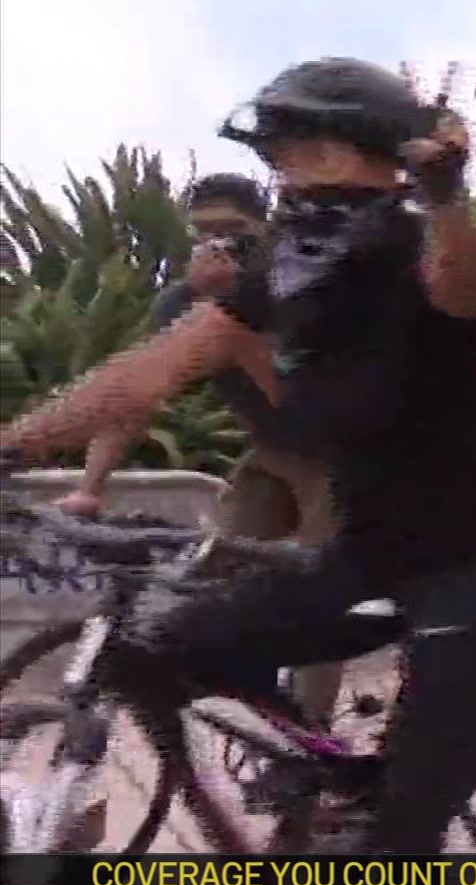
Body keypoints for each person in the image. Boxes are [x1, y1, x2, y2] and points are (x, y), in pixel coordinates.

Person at [1, 57, 476, 854]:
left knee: (394, 839)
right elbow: (141, 378)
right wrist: (10, 444)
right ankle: (314, 772)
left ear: (359, 150)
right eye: (277, 154)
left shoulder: (414, 245)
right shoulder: (283, 272)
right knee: (160, 640)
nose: (284, 174)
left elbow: (460, 282)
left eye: (299, 149)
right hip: (366, 553)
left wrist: (447, 198)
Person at [48, 175, 346, 728]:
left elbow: (302, 393)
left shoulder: (303, 285)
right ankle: (233, 693)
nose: (220, 247)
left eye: (235, 234)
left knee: (322, 594)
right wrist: (90, 487)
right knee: (211, 573)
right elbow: (137, 396)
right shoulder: (183, 303)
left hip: (342, 457)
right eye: (205, 235)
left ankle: (313, 739)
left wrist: (237, 311)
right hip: (271, 456)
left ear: (268, 231)